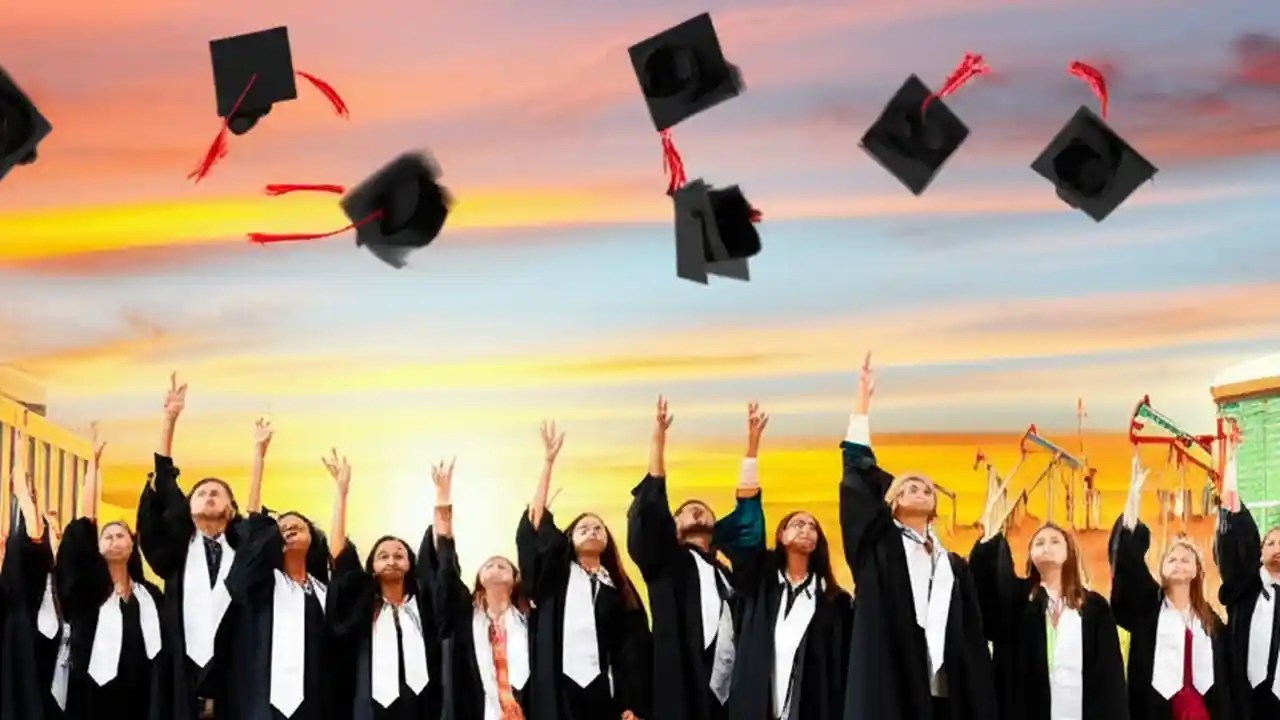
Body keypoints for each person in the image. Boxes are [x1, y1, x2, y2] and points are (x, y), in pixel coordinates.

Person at [838, 353, 997, 720]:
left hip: (942, 690)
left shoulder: (952, 565)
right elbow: (858, 479)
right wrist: (862, 407)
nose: (920, 489)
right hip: (892, 678)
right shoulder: (876, 547)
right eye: (909, 486)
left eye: (927, 488)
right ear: (891, 503)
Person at [627, 396, 766, 720]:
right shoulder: (666, 563)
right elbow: (650, 515)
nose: (695, 509)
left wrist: (751, 451)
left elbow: (749, 527)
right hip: (681, 682)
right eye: (684, 511)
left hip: (731, 693)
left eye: (702, 508)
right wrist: (658, 440)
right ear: (671, 530)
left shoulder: (730, 578)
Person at [516, 421, 652, 720]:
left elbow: (632, 651)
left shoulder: (619, 589)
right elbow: (535, 527)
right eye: (583, 527)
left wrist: (632, 703)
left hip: (604, 691)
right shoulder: (555, 576)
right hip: (556, 686)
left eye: (598, 528)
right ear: (569, 538)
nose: (592, 531)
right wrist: (548, 463)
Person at [729, 403, 855, 720]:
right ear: (781, 536)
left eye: (812, 526)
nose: (806, 529)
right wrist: (752, 449)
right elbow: (747, 523)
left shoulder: (836, 603)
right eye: (797, 524)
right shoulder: (759, 585)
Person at [137, 374, 244, 720]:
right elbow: (165, 483)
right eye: (201, 492)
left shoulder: (243, 552)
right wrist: (169, 421)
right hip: (182, 669)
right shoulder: (177, 550)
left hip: (235, 671)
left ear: (231, 508)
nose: (209, 495)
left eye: (217, 493)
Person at [223, 420, 335, 720]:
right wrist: (259, 455)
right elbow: (253, 530)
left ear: (313, 538)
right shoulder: (261, 583)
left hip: (315, 702)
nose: (288, 529)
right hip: (261, 700)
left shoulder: (324, 591)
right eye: (282, 528)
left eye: (297, 526)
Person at [56, 424, 165, 720]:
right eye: (108, 536)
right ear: (98, 547)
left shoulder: (150, 596)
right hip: (92, 693)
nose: (115, 540)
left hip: (142, 692)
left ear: (133, 544)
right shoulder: (87, 588)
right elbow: (85, 523)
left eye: (121, 535)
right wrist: (94, 463)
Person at [1110, 453, 1230, 720]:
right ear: (1161, 569)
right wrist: (1133, 498)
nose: (1179, 563)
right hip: (1156, 710)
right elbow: (1126, 565)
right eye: (1172, 559)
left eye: (1186, 559)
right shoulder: (1147, 609)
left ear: (1198, 571)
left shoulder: (1211, 622)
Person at [326, 451, 444, 720]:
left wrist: (441, 499)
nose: (391, 560)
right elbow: (339, 557)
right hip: (371, 705)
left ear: (411, 563)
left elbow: (443, 558)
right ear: (372, 566)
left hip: (423, 705)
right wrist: (341, 494)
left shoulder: (423, 605)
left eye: (399, 555)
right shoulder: (363, 606)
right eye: (383, 556)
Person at [969, 521, 1127, 720]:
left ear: (1069, 552)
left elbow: (1110, 676)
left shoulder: (1094, 608)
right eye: (1040, 543)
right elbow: (986, 601)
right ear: (1030, 555)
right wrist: (988, 543)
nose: (1047, 547)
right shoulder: (1017, 599)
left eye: (1055, 542)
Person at [431, 459, 533, 720]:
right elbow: (446, 569)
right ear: (478, 579)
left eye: (503, 565)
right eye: (489, 565)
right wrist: (443, 499)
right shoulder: (465, 616)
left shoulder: (530, 618)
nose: (496, 566)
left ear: (516, 580)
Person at [0, 413, 70, 720]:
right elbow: (28, 545)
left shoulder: (58, 580)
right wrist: (25, 503)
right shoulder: (17, 587)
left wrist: (28, 501)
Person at [1215, 486, 1280, 719]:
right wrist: (1231, 508)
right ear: (1259, 553)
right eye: (1270, 543)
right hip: (1246, 701)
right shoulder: (1245, 589)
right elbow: (1234, 549)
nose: (1277, 548)